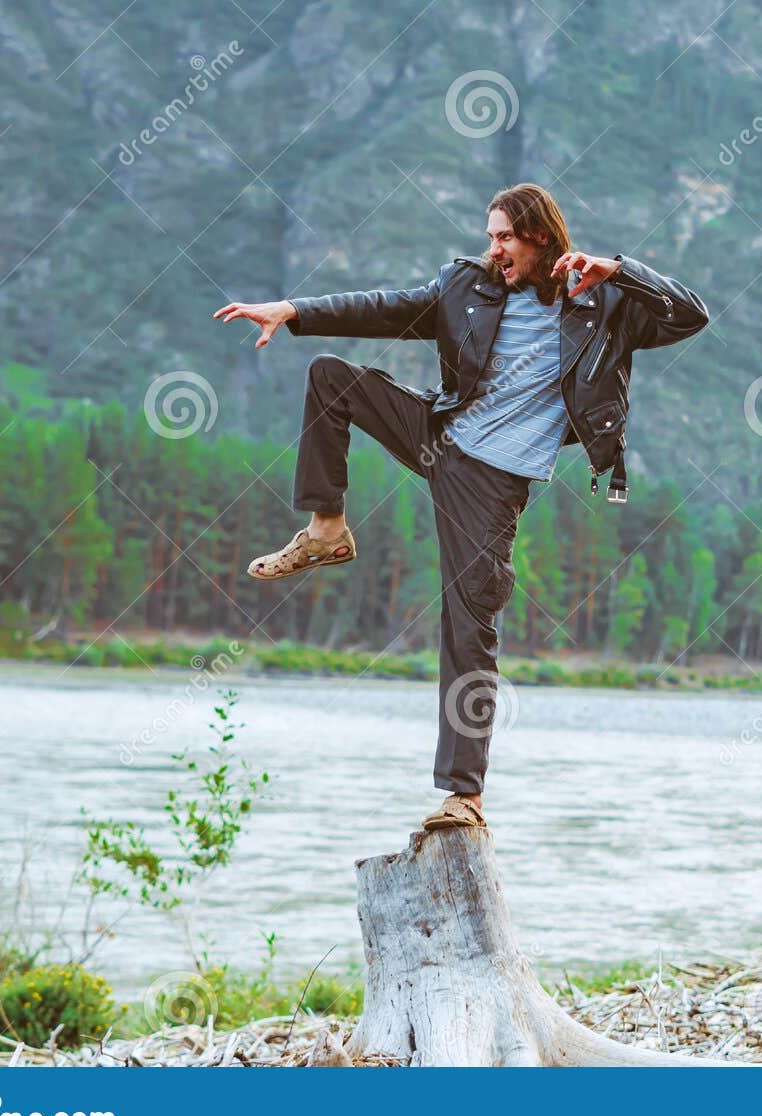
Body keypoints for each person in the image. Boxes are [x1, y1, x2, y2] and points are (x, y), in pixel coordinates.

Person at [212, 183, 708, 831]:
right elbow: (387, 308)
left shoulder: (607, 304)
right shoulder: (467, 288)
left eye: (503, 236)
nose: (492, 247)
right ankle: (325, 528)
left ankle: (463, 795)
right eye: (490, 234)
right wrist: (293, 309)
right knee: (332, 377)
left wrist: (622, 269)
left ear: (539, 236)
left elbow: (690, 314)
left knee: (468, 628)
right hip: (438, 435)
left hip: (493, 484)